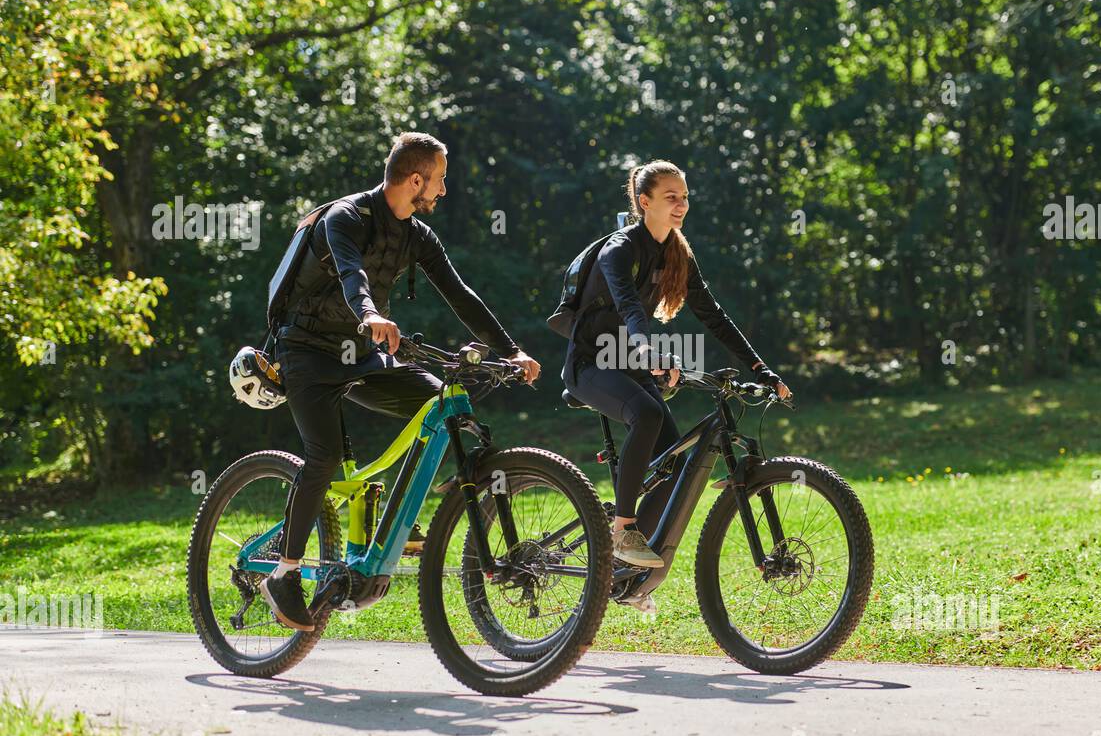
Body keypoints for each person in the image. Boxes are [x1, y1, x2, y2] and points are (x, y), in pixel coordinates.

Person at [262, 132, 540, 631]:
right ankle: (283, 573)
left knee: (440, 405)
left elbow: (461, 296)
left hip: (363, 354)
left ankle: (402, 516)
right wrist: (369, 314)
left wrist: (510, 350)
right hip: (305, 351)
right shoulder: (345, 218)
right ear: (416, 179)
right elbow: (353, 276)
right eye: (441, 180)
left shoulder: (417, 235)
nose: (444, 191)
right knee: (323, 458)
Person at [562, 160, 791, 572]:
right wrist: (649, 351)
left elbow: (714, 316)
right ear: (644, 201)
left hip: (629, 364)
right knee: (647, 413)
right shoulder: (620, 249)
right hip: (589, 365)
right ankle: (621, 530)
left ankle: (625, 571)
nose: (681, 204)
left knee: (678, 465)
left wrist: (761, 368)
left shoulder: (676, 254)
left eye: (684, 196)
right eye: (671, 197)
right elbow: (630, 306)